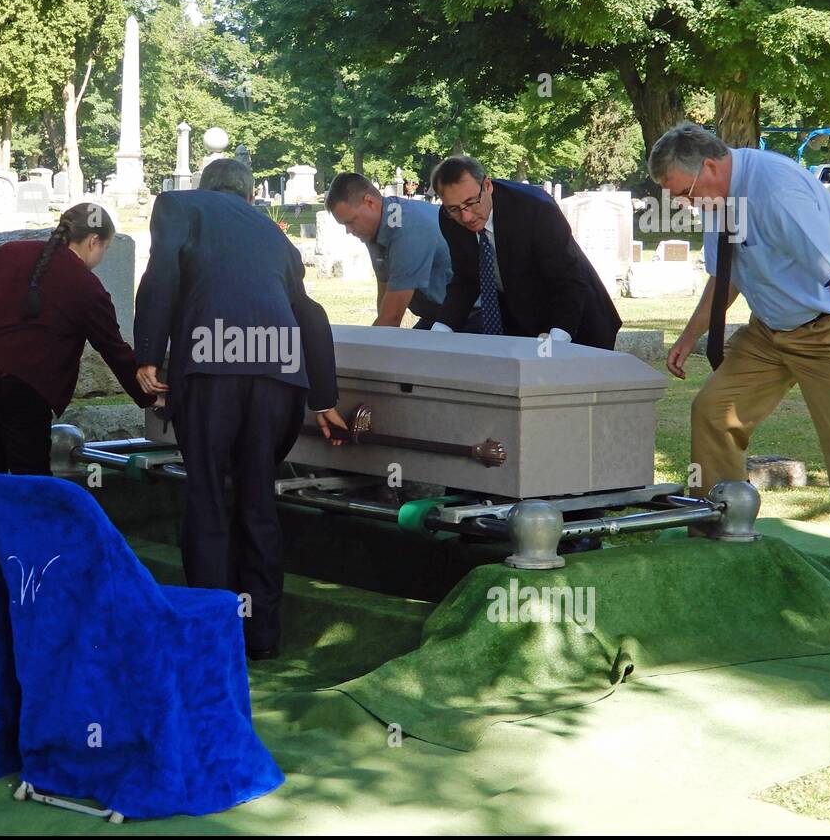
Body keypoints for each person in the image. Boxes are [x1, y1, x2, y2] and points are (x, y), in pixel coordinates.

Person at [651, 122, 830, 644]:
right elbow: (727, 274)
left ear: (711, 168)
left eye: (686, 193)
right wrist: (691, 337)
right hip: (772, 330)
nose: (687, 205)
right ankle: (716, 538)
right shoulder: (717, 197)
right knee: (713, 412)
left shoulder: (778, 191)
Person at [134, 158, 344, 661]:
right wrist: (324, 399)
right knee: (257, 499)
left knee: (206, 496)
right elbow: (310, 314)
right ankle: (262, 635)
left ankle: (211, 639)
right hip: (278, 368)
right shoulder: (276, 237)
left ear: (204, 188)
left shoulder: (178, 204)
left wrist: (147, 354)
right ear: (250, 197)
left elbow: (161, 275)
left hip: (212, 362)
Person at [0, 202, 154, 475]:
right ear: (93, 241)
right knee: (29, 475)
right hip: (22, 383)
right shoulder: (87, 287)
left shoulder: (8, 253)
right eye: (105, 248)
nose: (103, 255)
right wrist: (149, 398)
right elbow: (113, 349)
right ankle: (25, 518)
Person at [431, 155, 621, 349]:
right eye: (454, 208)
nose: (466, 216)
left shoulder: (536, 210)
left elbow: (568, 280)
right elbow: (466, 278)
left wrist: (555, 344)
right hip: (519, 325)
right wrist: (440, 332)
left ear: (487, 185)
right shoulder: (449, 219)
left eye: (471, 202)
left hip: (577, 323)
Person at [324, 171, 452, 328]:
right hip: (436, 315)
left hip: (471, 314)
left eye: (350, 222)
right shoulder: (374, 228)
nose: (348, 231)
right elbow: (384, 290)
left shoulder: (406, 228)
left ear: (369, 202)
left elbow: (391, 319)